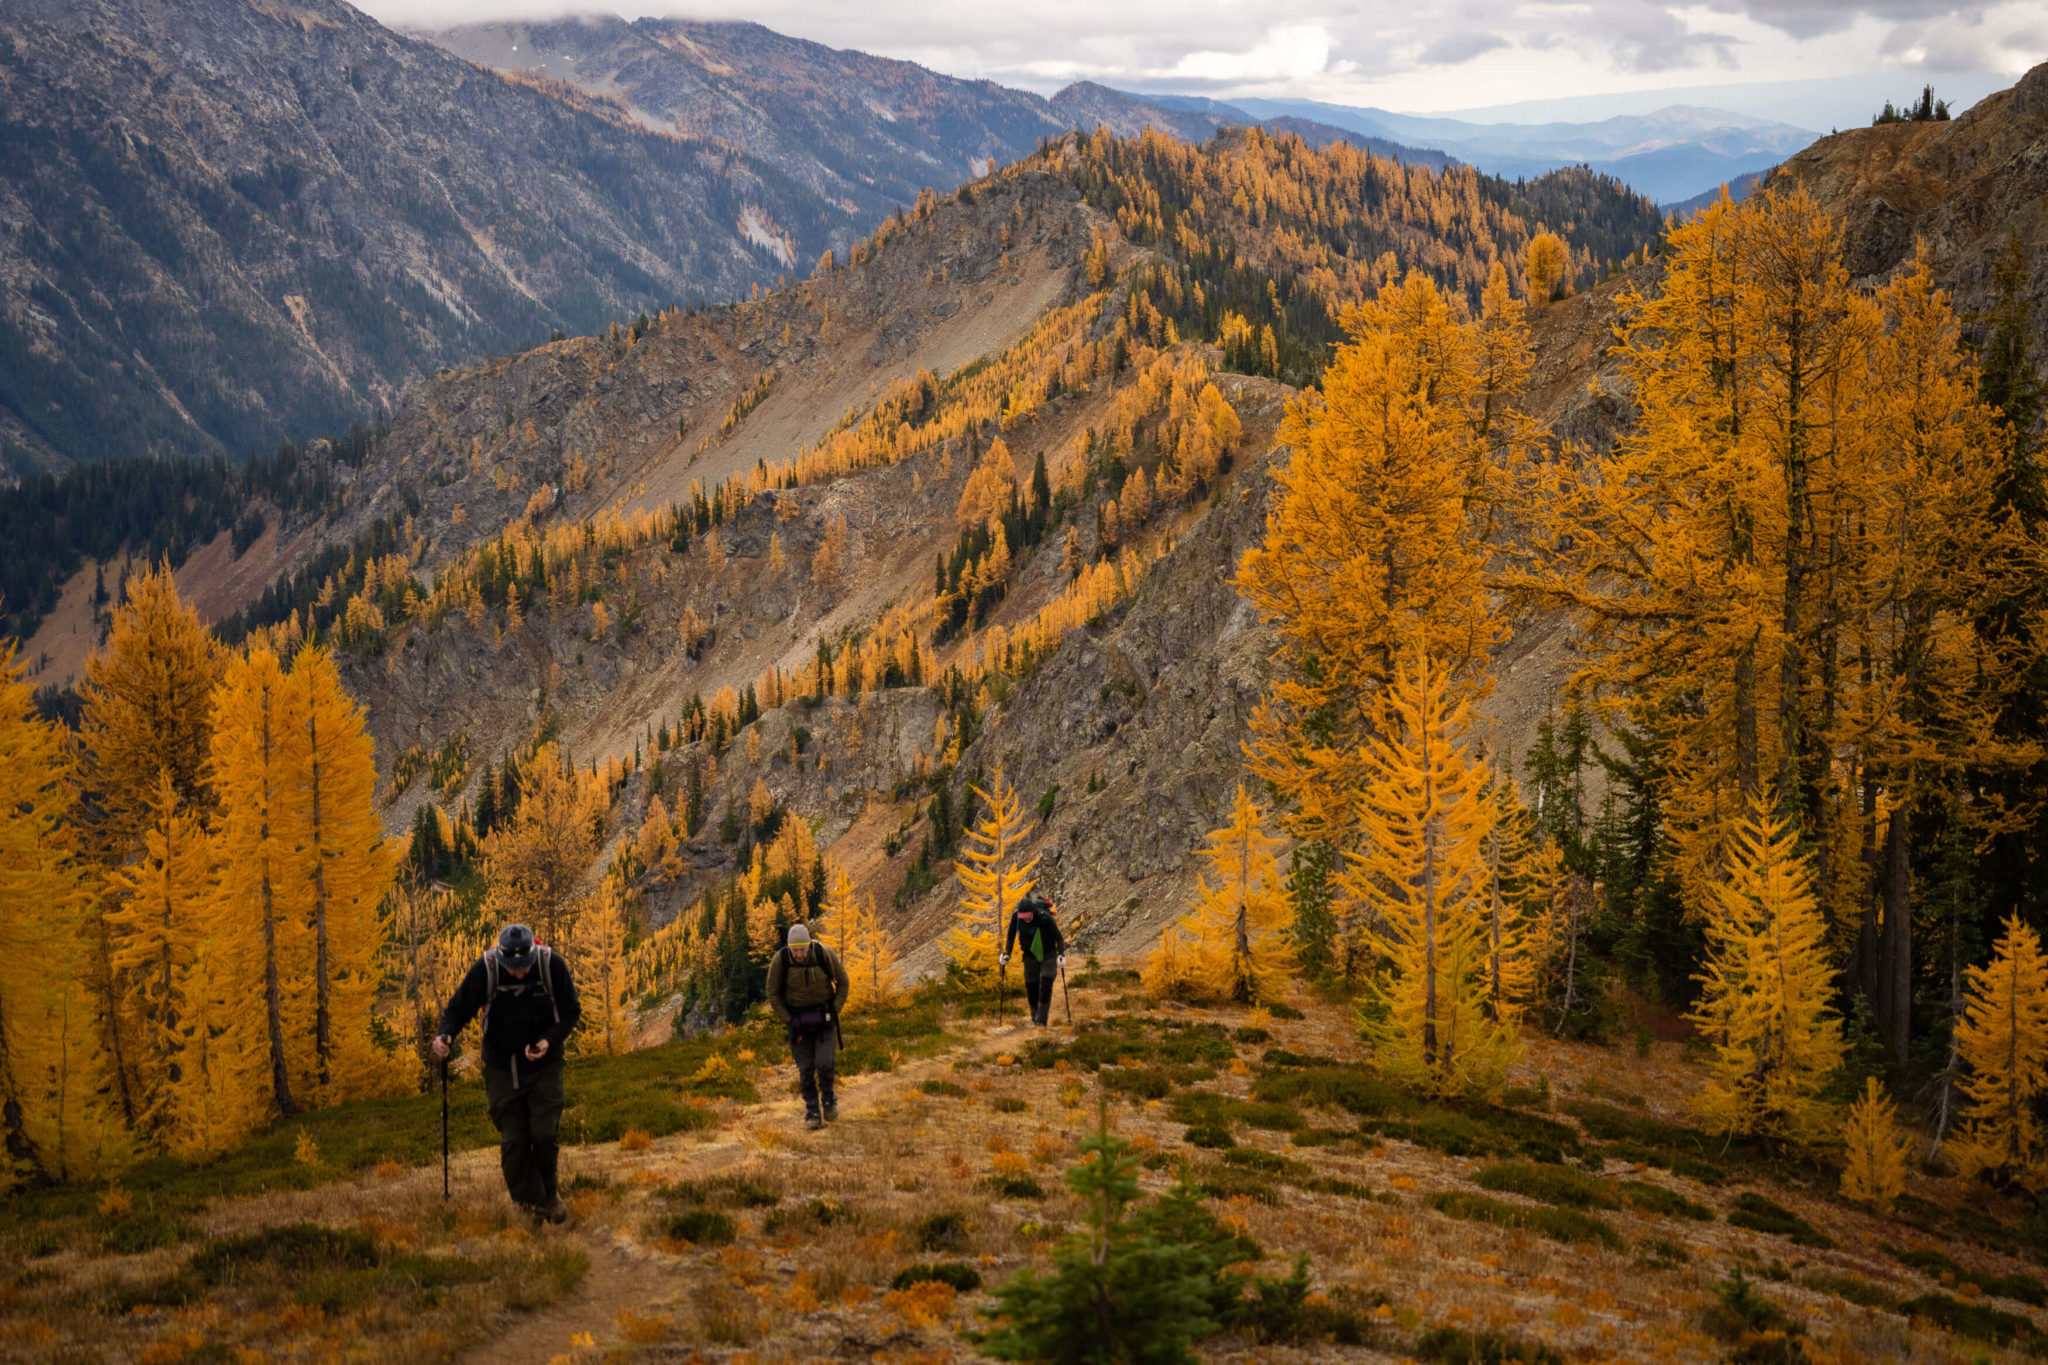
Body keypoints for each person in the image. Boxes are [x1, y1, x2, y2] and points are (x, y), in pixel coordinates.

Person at [433, 923, 581, 1223]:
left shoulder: (551, 965)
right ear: (501, 959)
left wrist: (548, 1041)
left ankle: (549, 1195)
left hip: (545, 1066)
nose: (519, 973)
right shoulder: (485, 971)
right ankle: (534, 1207)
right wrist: (446, 1035)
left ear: (533, 955)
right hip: (502, 1069)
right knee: (513, 1143)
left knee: (544, 1135)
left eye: (524, 967)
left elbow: (571, 1011)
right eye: (513, 968)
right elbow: (458, 1008)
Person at [766, 923, 849, 1130]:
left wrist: (834, 1010)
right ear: (789, 948)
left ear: (809, 945)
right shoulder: (781, 961)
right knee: (805, 1069)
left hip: (825, 1020)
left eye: (802, 949)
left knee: (825, 1062)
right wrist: (789, 1020)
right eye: (795, 950)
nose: (799, 954)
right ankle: (812, 1111)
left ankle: (829, 1099)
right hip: (798, 1024)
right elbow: (773, 994)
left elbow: (843, 982)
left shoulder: (823, 954)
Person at [1000, 893, 1066, 1028]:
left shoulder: (1044, 917)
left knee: (1047, 982)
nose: (1026, 919)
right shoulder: (1016, 918)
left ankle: (1041, 1021)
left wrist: (1061, 954)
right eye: (1023, 917)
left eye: (1028, 916)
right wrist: (1007, 954)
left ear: (1033, 912)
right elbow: (1011, 937)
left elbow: (1059, 938)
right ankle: (1035, 1017)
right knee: (1031, 987)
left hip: (1048, 953)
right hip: (1029, 955)